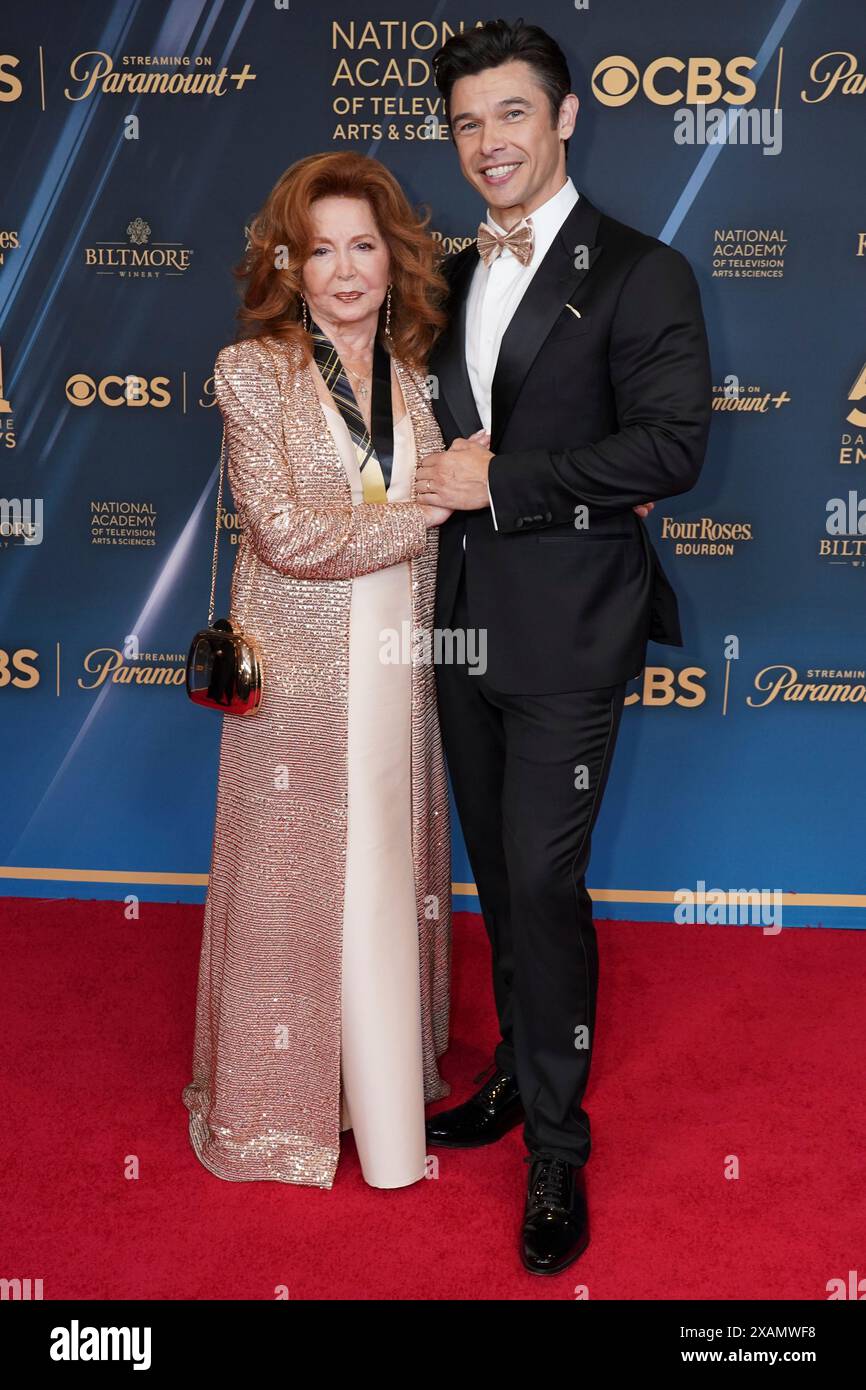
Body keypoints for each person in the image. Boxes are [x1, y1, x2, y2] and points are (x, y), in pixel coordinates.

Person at [417, 20, 712, 1272]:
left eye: (510, 116)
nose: (488, 143)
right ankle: (506, 1070)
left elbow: (669, 449)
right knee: (496, 874)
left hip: (573, 631)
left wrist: (509, 480)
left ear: (567, 115)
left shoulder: (642, 271)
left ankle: (555, 1149)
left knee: (540, 880)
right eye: (467, 122)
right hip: (460, 625)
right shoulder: (443, 269)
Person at [183, 151, 456, 1190]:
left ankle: (378, 1095)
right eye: (320, 250)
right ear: (289, 266)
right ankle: (275, 1105)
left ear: (392, 258)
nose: (345, 270)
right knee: (304, 879)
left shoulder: (416, 379)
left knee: (386, 874)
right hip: (299, 680)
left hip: (399, 663)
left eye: (363, 246)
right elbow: (288, 535)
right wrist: (421, 512)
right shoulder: (252, 371)